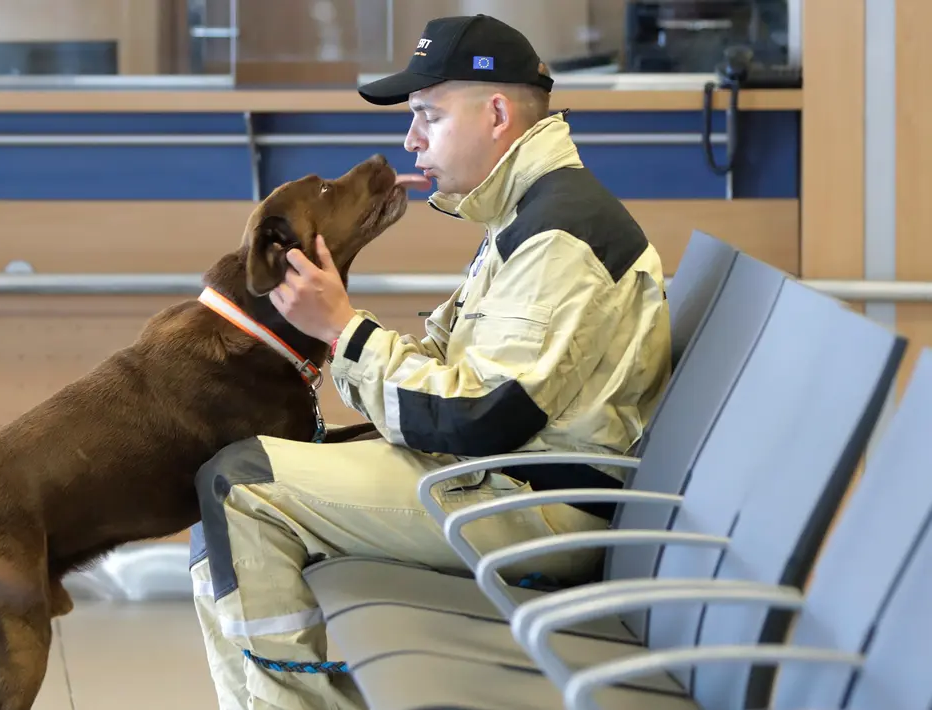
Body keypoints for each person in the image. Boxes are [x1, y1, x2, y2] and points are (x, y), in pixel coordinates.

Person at [188, 13, 672, 710]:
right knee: (241, 473)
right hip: (505, 483)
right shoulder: (527, 216)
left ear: (497, 113)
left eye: (427, 115)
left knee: (240, 486)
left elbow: (476, 416)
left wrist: (341, 330)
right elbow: (455, 371)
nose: (410, 140)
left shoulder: (558, 235)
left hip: (535, 508)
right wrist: (336, 331)